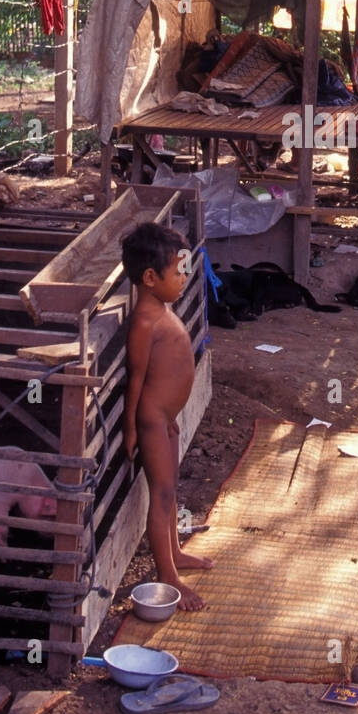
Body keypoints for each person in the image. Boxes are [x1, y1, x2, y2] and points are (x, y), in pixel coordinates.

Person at [121, 222, 212, 611]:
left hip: (165, 418)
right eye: (178, 272)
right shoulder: (145, 321)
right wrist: (131, 429)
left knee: (170, 490)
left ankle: (174, 553)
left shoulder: (160, 308)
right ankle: (167, 576)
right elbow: (136, 379)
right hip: (151, 421)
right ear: (150, 277)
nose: (184, 278)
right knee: (160, 495)